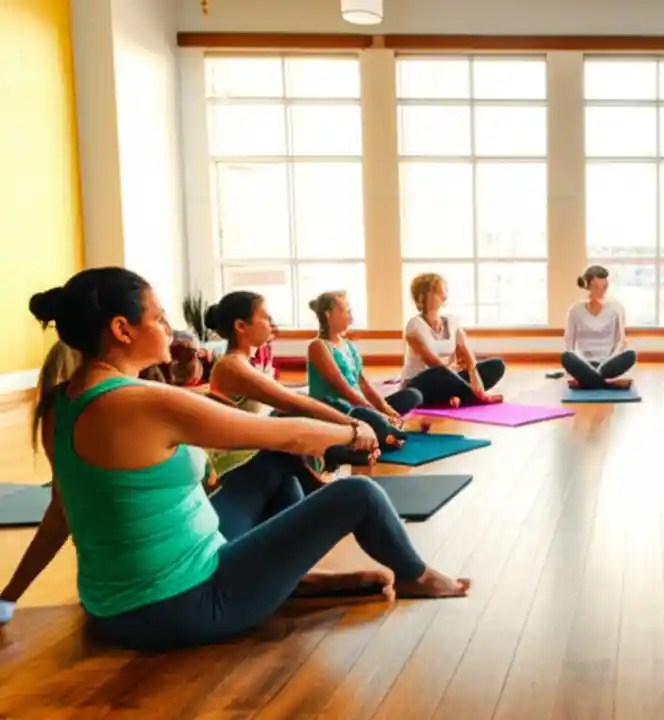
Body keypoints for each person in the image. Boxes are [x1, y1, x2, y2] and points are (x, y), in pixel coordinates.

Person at [0, 268, 468, 649]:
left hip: (110, 608)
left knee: (268, 467)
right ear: (122, 330)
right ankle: (416, 575)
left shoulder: (60, 403)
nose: (168, 328)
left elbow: (60, 513)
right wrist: (353, 429)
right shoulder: (141, 401)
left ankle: (288, 580)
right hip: (184, 606)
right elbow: (282, 431)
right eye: (159, 319)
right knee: (359, 494)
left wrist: (8, 598)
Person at [206, 290, 388, 469]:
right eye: (267, 319)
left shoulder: (242, 363)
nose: (273, 325)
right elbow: (294, 403)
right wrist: (354, 425)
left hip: (259, 455)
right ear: (241, 326)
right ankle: (338, 452)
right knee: (300, 417)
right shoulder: (232, 367)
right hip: (237, 466)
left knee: (297, 420)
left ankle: (337, 453)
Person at [306, 291, 422, 450]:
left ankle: (385, 429)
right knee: (365, 415)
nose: (351, 317)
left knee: (413, 395)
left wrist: (387, 410)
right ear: (328, 315)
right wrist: (379, 414)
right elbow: (343, 389)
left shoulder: (349, 346)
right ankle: (385, 431)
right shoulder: (318, 347)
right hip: (336, 410)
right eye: (346, 311)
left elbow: (363, 384)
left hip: (358, 406)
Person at [399, 272, 505, 407]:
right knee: (438, 373)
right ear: (424, 295)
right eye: (437, 291)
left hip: (449, 377)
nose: (443, 295)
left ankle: (456, 395)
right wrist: (467, 386)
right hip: (421, 382)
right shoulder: (413, 325)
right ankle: (470, 396)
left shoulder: (452, 321)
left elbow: (468, 356)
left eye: (442, 291)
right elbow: (432, 362)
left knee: (496, 365)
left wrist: (475, 377)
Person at [560, 265, 636, 389]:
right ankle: (602, 382)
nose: (601, 291)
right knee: (566, 357)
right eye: (597, 287)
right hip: (584, 363)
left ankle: (592, 379)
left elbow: (620, 341)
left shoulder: (616, 307)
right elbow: (569, 340)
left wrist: (610, 361)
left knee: (631, 354)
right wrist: (573, 364)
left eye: (604, 287)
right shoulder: (575, 310)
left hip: (608, 365)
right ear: (588, 286)